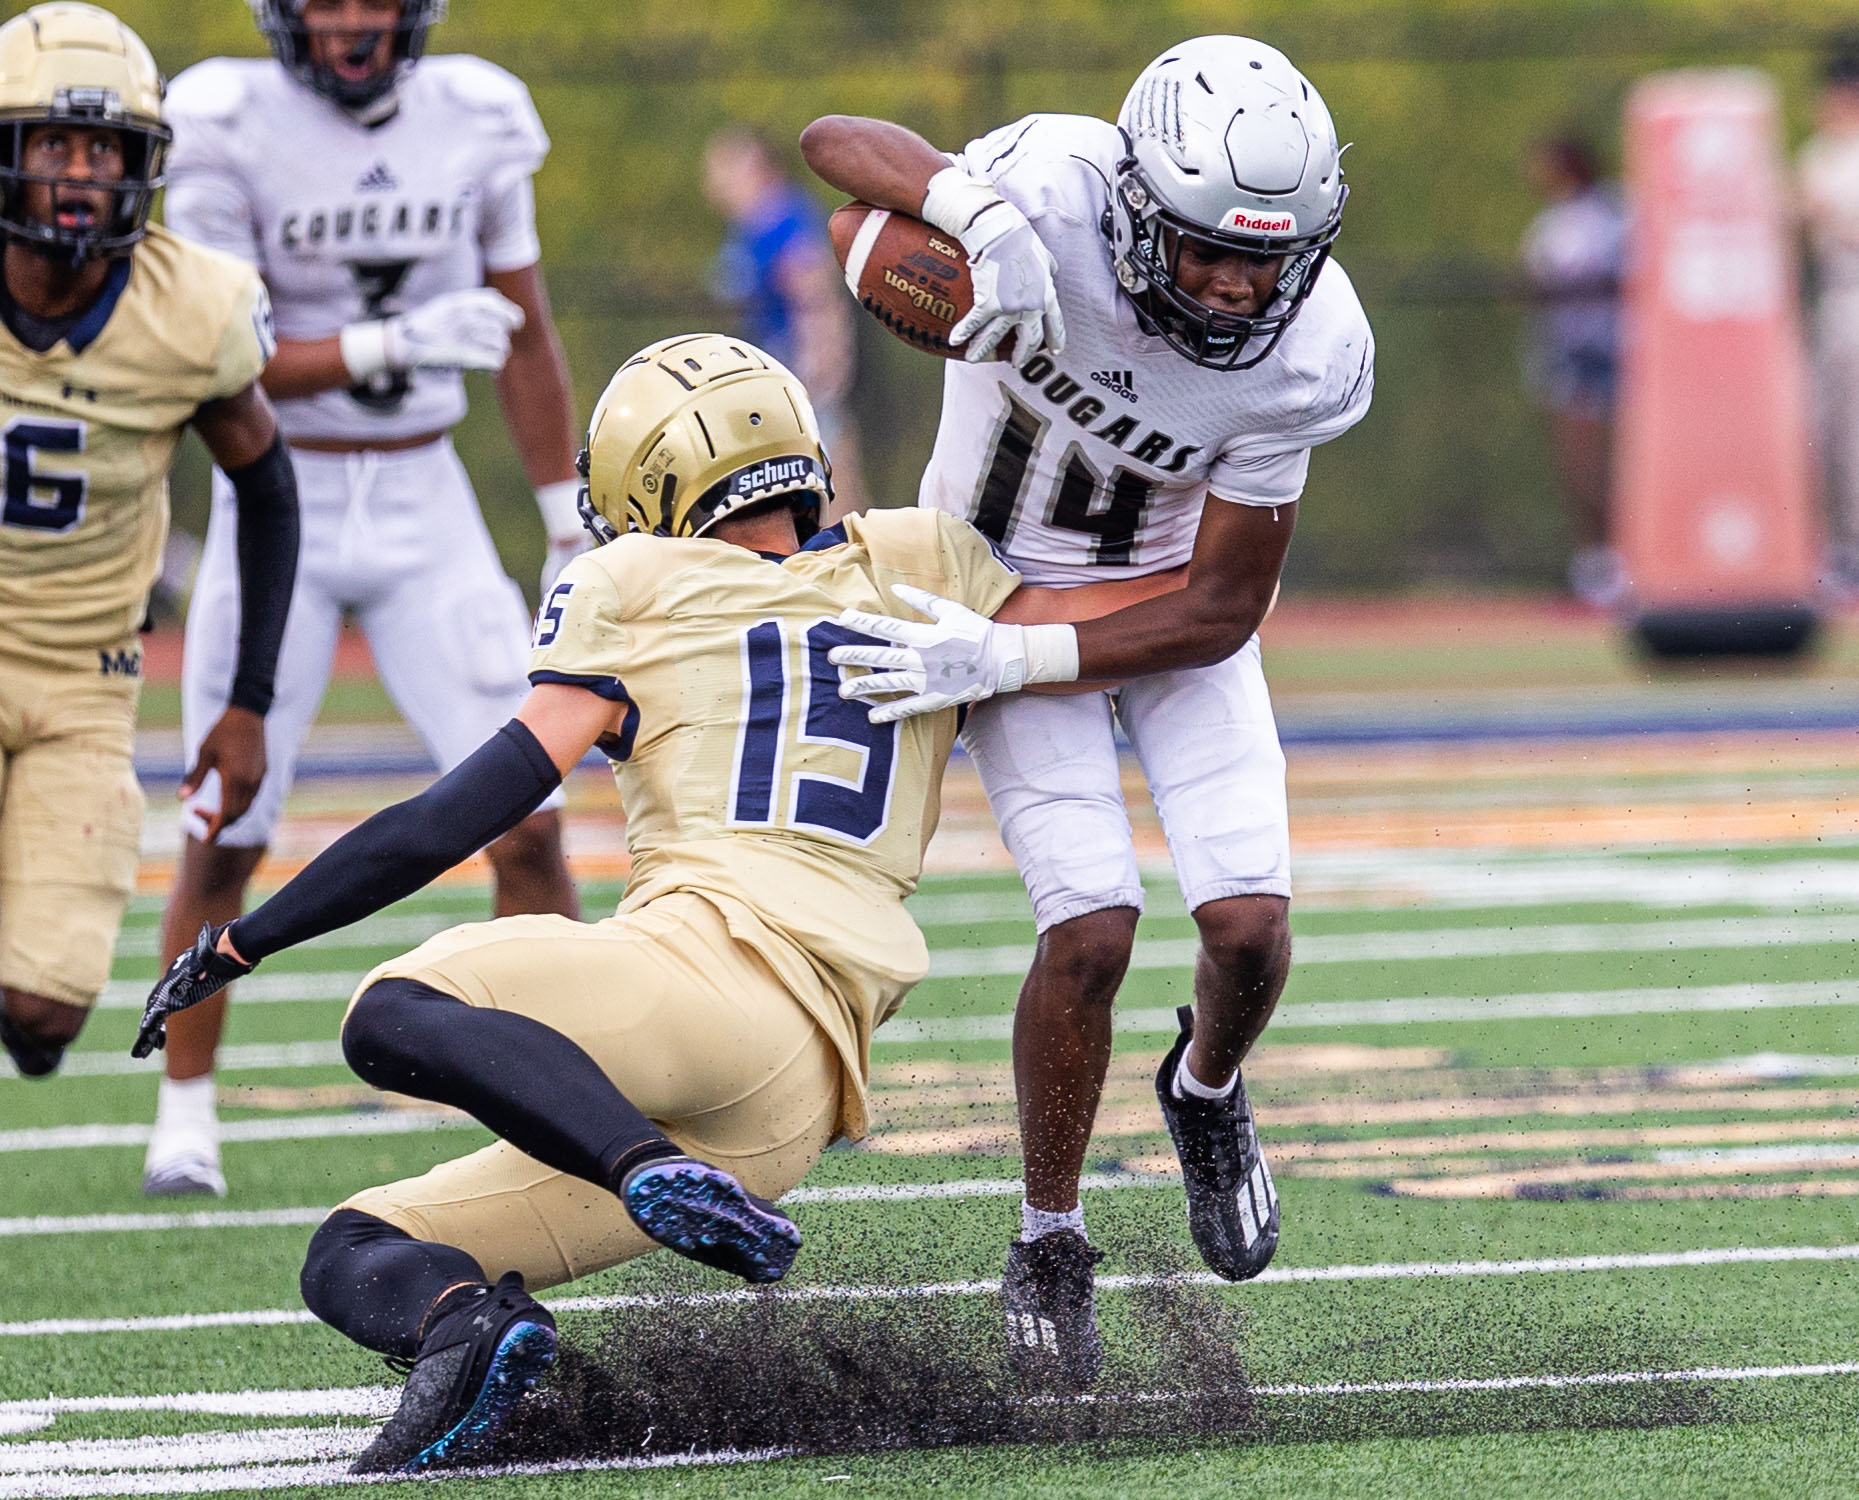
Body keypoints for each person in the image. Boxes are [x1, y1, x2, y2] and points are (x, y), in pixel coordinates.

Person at [133, 334, 1181, 1472]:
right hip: (793, 1102)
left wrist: (247, 936)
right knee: (358, 1247)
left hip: (699, 979)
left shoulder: (634, 584)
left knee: (391, 1016)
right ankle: (478, 1334)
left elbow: (464, 809)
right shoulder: (926, 561)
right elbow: (1137, 612)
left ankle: (641, 1168)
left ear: (650, 483)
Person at [801, 33, 1375, 1387]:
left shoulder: (1310, 347)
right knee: (1090, 930)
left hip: (1158, 617)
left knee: (1245, 926)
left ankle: (1206, 1092)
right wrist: (970, 210)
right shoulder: (1050, 185)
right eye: (1207, 250)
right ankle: (1046, 1236)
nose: (1241, 285)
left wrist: (1009, 665)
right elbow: (837, 149)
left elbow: (1222, 607)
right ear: (1127, 209)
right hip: (982, 587)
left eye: (1267, 258)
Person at [144, 0, 585, 1198]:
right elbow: (215, 350)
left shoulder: (478, 112)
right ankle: (183, 1113)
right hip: (276, 495)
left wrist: (560, 521)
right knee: (222, 823)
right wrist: (387, 344)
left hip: (424, 498)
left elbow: (528, 331)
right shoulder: (225, 119)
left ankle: (563, 1079)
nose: (352, 20)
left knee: (531, 808)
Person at [0, 4, 298, 1080]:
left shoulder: (192, 309)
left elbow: (266, 485)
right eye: (56, 145)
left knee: (43, 1020)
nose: (81, 174)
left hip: (86, 675)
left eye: (103, 149)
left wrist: (247, 701)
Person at [704, 124, 867, 519]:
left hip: (798, 370)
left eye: (722, 167)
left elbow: (815, 297)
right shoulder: (747, 227)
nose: (713, 180)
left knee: (827, 470)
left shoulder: (783, 219)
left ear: (754, 167)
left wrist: (823, 365)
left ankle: (852, 557)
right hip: (769, 375)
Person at [1520, 133, 1626, 607]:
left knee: (1619, 463)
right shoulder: (1548, 225)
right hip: (1568, 358)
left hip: (1615, 354)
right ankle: (1594, 562)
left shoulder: (1614, 213)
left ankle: (1629, 555)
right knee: (1579, 464)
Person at [1799, 39, 1859, 584]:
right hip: (1831, 303)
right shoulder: (1818, 154)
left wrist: (1833, 220)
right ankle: (1836, 550)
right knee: (1821, 431)